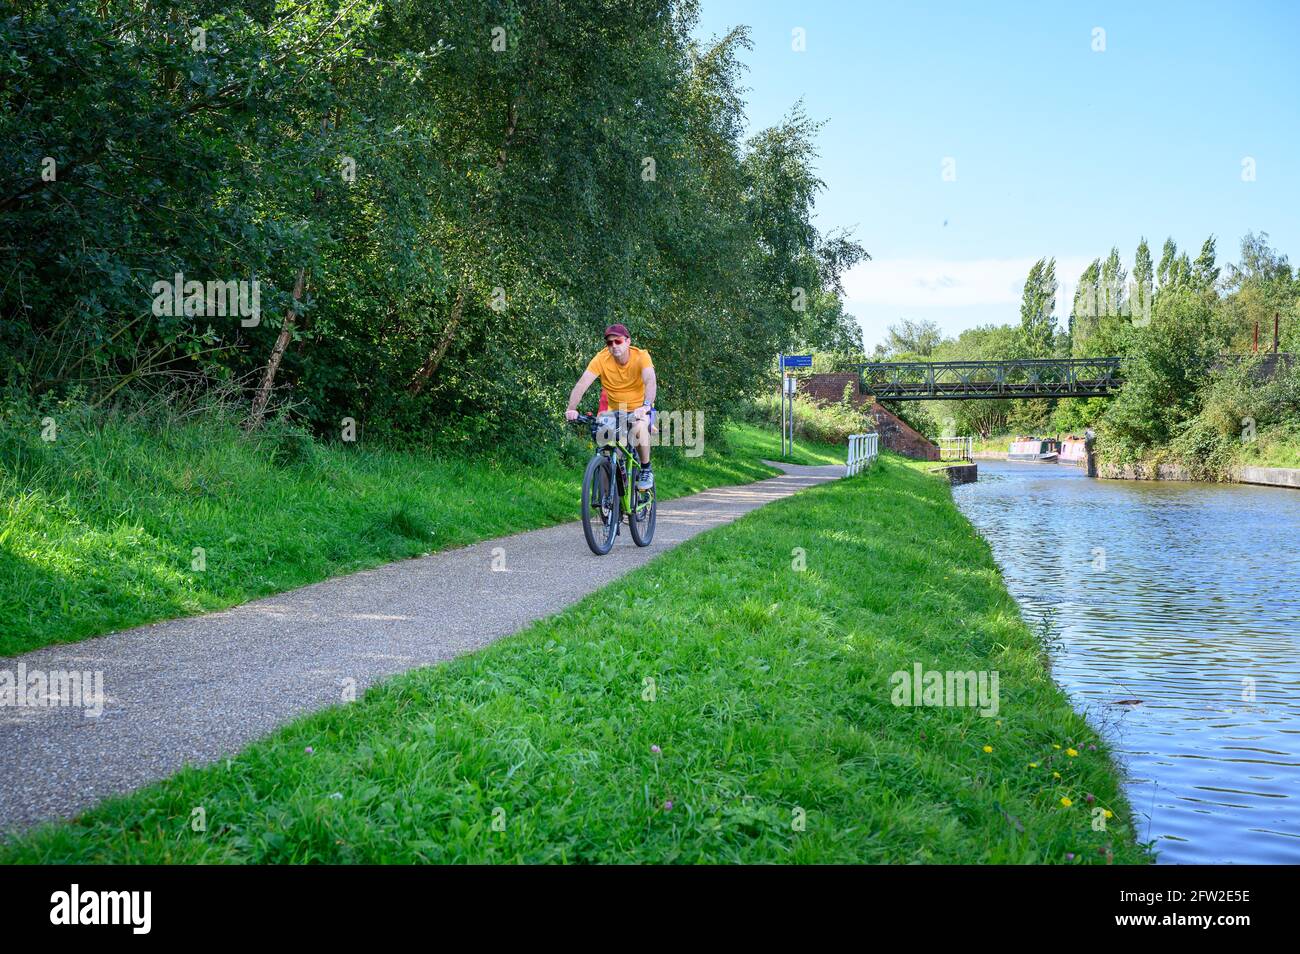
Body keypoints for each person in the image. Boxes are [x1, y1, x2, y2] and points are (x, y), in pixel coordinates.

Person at [565, 323, 657, 490]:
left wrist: (645, 407)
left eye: (618, 341)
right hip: (615, 412)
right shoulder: (601, 359)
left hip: (640, 408)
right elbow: (582, 384)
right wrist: (571, 408)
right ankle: (608, 508)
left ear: (628, 341)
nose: (614, 346)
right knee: (609, 452)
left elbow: (650, 381)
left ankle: (645, 468)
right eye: (609, 343)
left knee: (638, 427)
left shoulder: (641, 356)